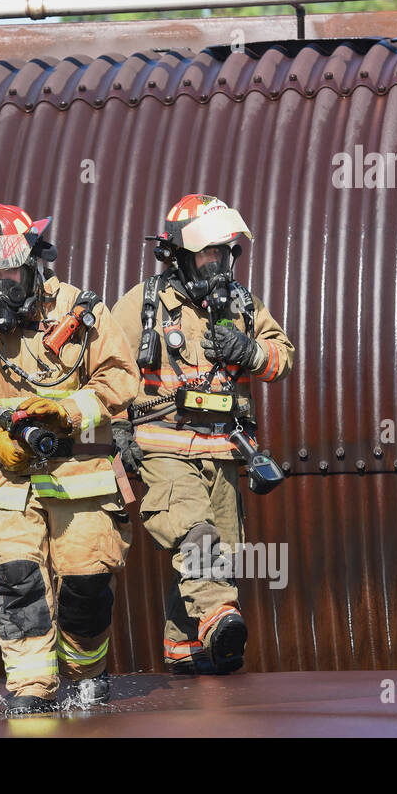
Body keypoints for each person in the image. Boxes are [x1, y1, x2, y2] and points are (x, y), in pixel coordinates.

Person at [0, 204, 139, 715]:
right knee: (18, 580)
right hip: (9, 480)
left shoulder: (82, 311)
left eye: (6, 265)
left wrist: (66, 411)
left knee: (85, 590)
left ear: (32, 261)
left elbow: (119, 380)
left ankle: (87, 671)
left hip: (81, 476)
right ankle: (30, 692)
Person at [110, 195, 294, 675]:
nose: (217, 264)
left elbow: (283, 357)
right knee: (197, 535)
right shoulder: (142, 305)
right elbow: (104, 368)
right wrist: (117, 426)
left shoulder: (242, 304)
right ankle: (218, 619)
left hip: (222, 448)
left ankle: (185, 648)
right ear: (178, 255)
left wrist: (249, 350)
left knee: (222, 556)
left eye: (223, 253)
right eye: (206, 254)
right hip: (164, 447)